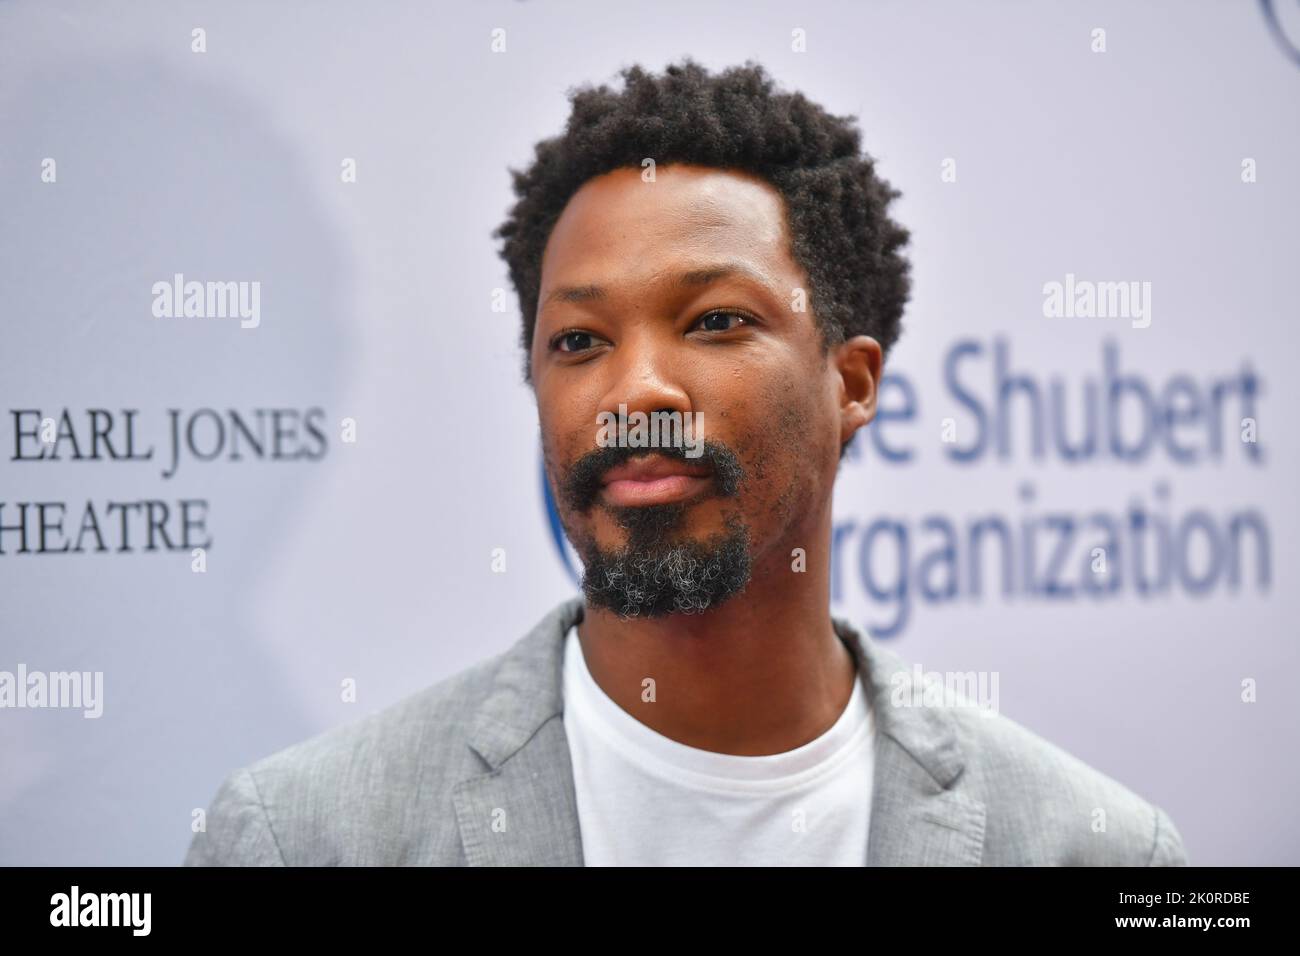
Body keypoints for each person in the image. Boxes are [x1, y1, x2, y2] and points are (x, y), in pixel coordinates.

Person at [185, 58, 1187, 866]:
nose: (636, 394)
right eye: (578, 340)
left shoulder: (1087, 848)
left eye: (713, 320)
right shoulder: (303, 836)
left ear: (852, 382)